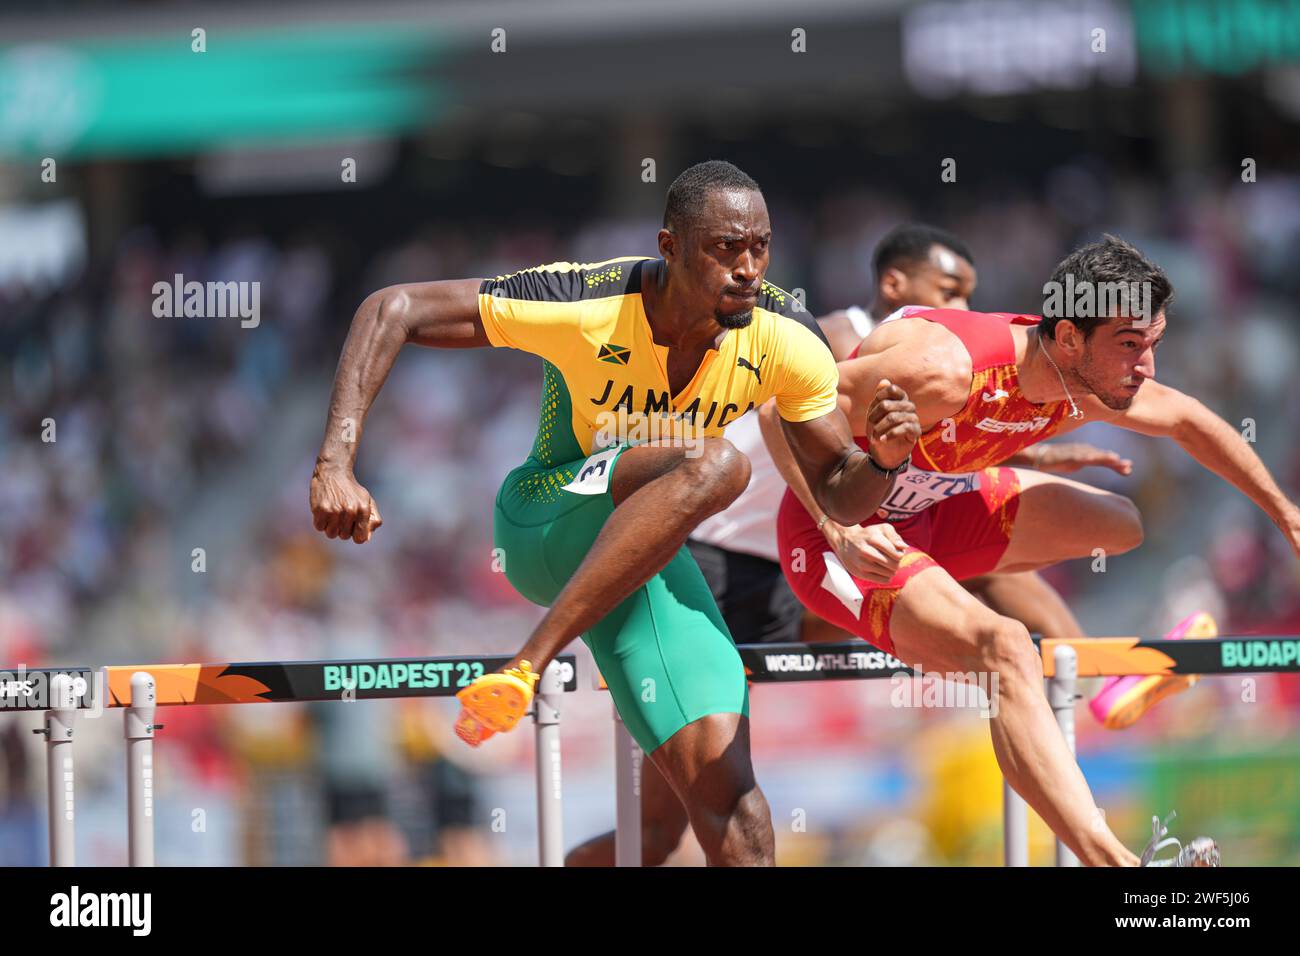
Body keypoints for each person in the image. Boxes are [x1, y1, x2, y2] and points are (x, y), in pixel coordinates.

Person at [308, 160, 919, 866]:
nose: (748, 268)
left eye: (760, 247)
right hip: (546, 516)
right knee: (718, 461)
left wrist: (884, 462)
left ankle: (536, 675)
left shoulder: (786, 337)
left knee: (735, 818)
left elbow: (839, 490)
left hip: (643, 564)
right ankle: (528, 663)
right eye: (725, 248)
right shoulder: (585, 300)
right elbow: (392, 308)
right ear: (669, 248)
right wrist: (335, 464)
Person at [568, 223, 1186, 867]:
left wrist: (1038, 448)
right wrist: (836, 525)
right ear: (896, 286)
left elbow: (955, 445)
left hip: (809, 561)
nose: (964, 310)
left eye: (972, 295)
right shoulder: (842, 336)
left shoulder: (946, 367)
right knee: (663, 832)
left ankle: (1094, 688)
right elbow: (791, 417)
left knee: (984, 604)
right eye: (950, 290)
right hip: (723, 566)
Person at [774, 234, 1277, 865]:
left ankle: (1093, 680)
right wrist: (836, 528)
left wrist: (1288, 519)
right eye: (1131, 346)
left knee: (1117, 524)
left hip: (926, 516)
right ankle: (1121, 866)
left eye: (1153, 345)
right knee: (1006, 648)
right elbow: (778, 410)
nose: (1146, 368)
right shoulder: (937, 367)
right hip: (836, 540)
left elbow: (1189, 420)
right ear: (1069, 337)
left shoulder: (1086, 378)